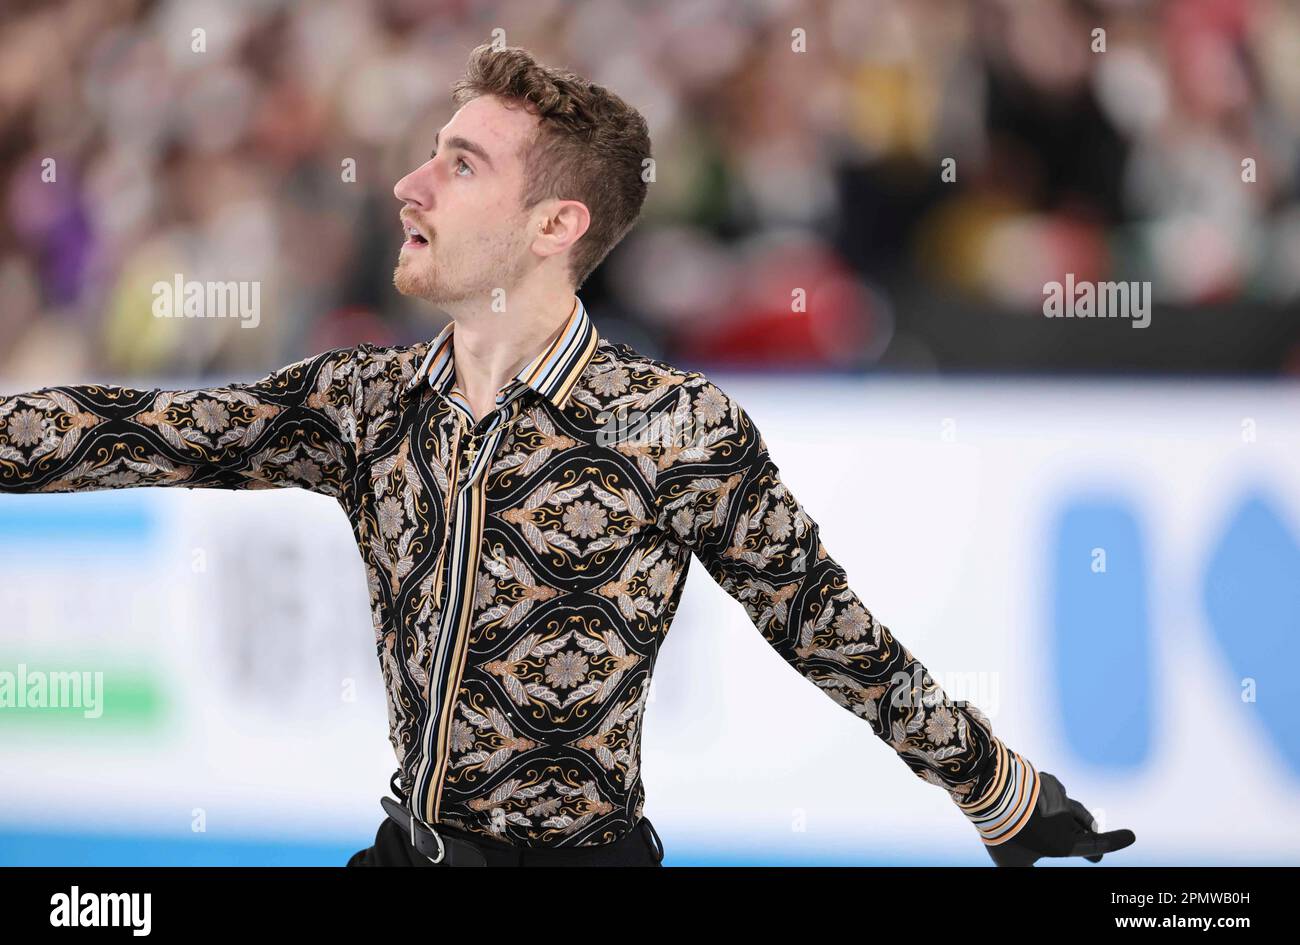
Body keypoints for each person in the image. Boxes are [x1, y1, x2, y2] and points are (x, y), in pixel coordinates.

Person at [0, 43, 1134, 867]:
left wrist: (996, 787)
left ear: (554, 228)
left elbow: (826, 629)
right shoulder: (365, 402)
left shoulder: (672, 426)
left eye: (460, 165)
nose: (408, 183)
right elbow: (127, 431)